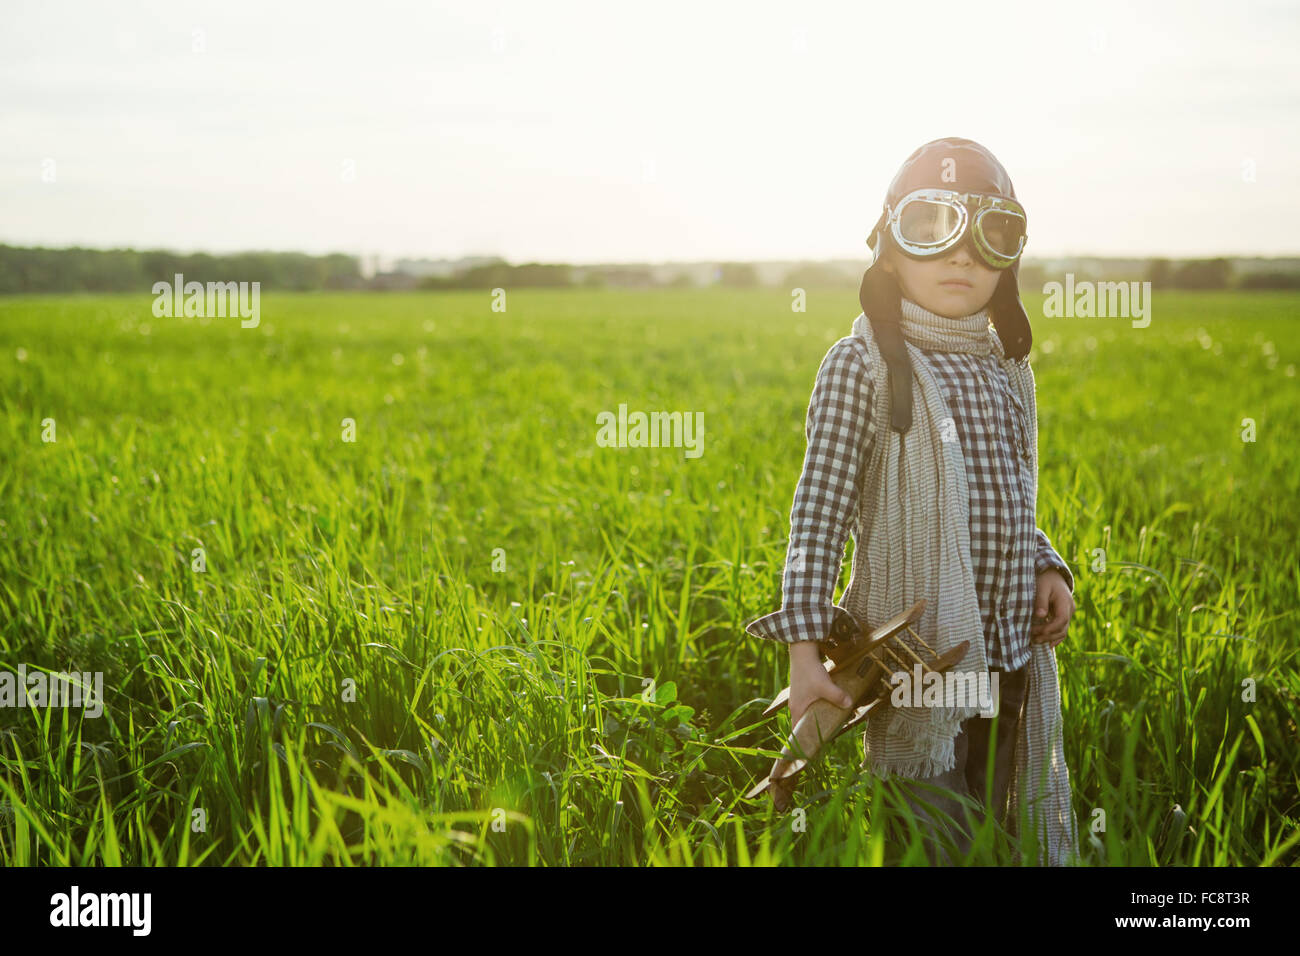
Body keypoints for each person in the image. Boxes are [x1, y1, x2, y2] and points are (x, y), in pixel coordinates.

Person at [745, 137, 1079, 865]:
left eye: (991, 233)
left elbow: (1008, 496)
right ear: (888, 251)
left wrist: (1046, 565)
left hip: (1010, 656)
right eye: (929, 227)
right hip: (918, 664)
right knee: (937, 845)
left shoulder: (1007, 371)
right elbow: (818, 520)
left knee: (1007, 831)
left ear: (1009, 258)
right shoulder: (863, 364)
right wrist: (804, 654)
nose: (961, 254)